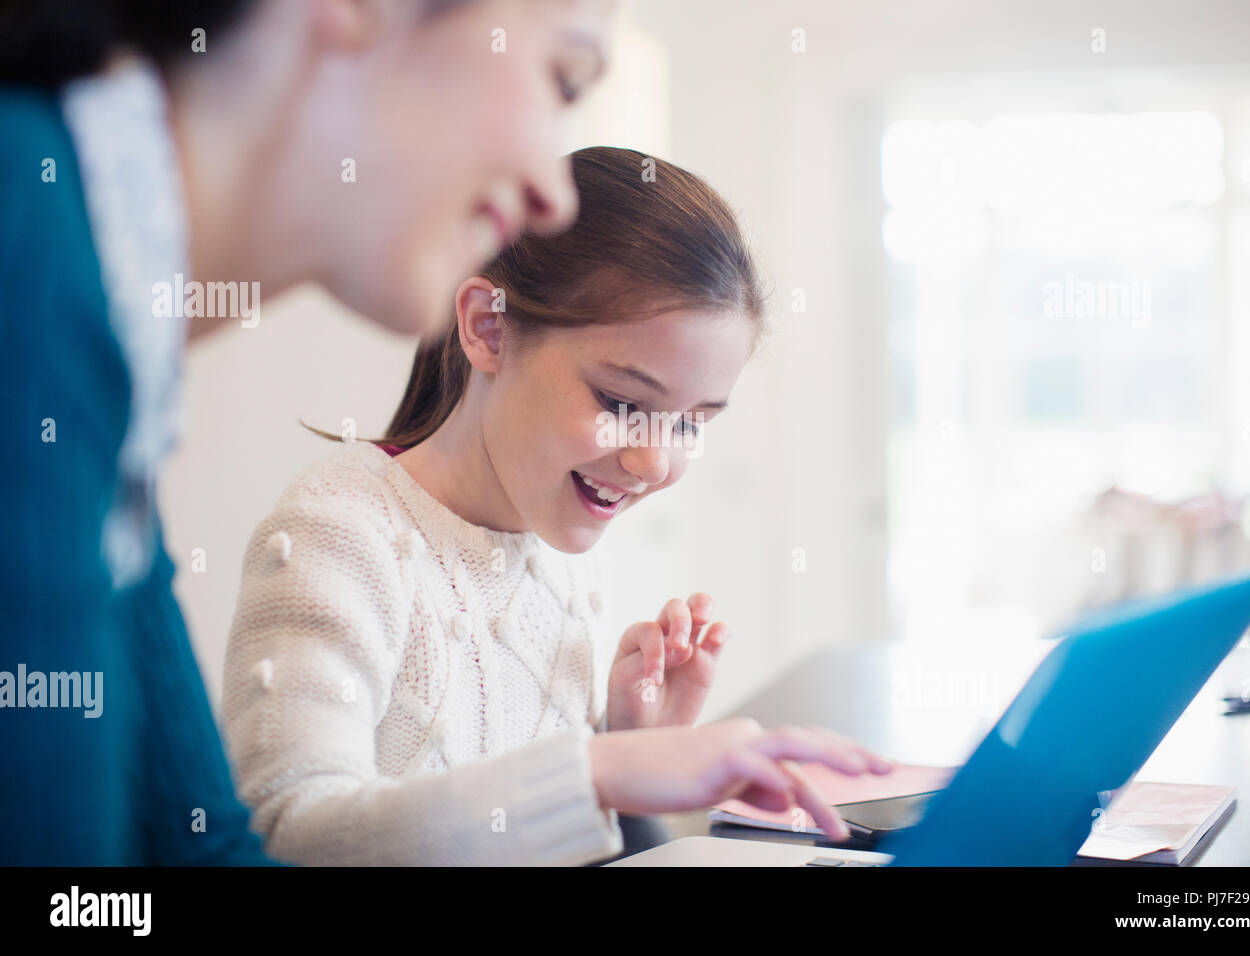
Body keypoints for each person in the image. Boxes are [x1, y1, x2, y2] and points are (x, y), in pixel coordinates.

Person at [0, 0, 615, 864]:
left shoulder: (95, 336)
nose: (555, 196)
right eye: (563, 75)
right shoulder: (24, 250)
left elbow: (203, 855)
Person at [222, 147, 894, 865]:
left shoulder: (555, 545)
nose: (653, 461)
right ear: (488, 328)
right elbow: (285, 834)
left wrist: (626, 751)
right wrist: (603, 772)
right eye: (622, 402)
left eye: (691, 421)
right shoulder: (338, 531)